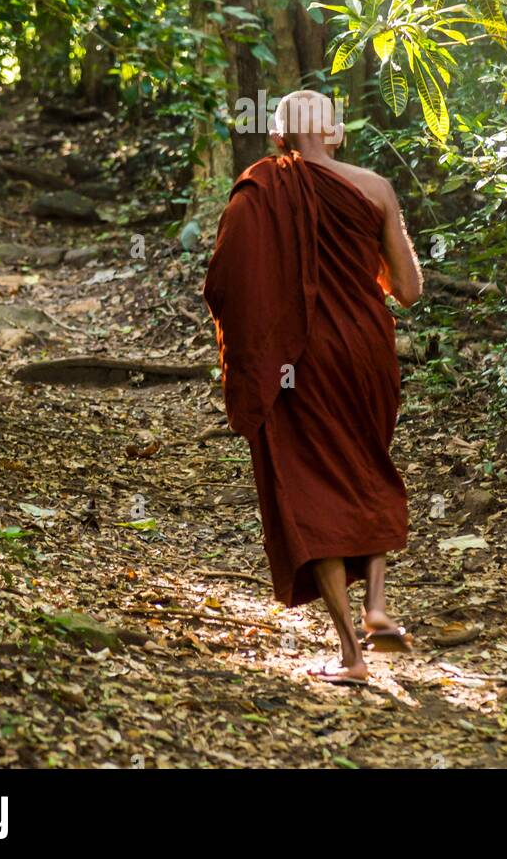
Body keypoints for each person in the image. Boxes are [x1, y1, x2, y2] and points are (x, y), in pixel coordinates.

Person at [204, 89, 422, 684]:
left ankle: (352, 653)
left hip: (299, 358)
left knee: (313, 486)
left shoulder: (260, 189)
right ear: (337, 133)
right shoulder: (373, 187)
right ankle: (377, 603)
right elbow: (408, 289)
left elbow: (225, 281)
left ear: (278, 139)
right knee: (366, 468)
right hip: (366, 350)